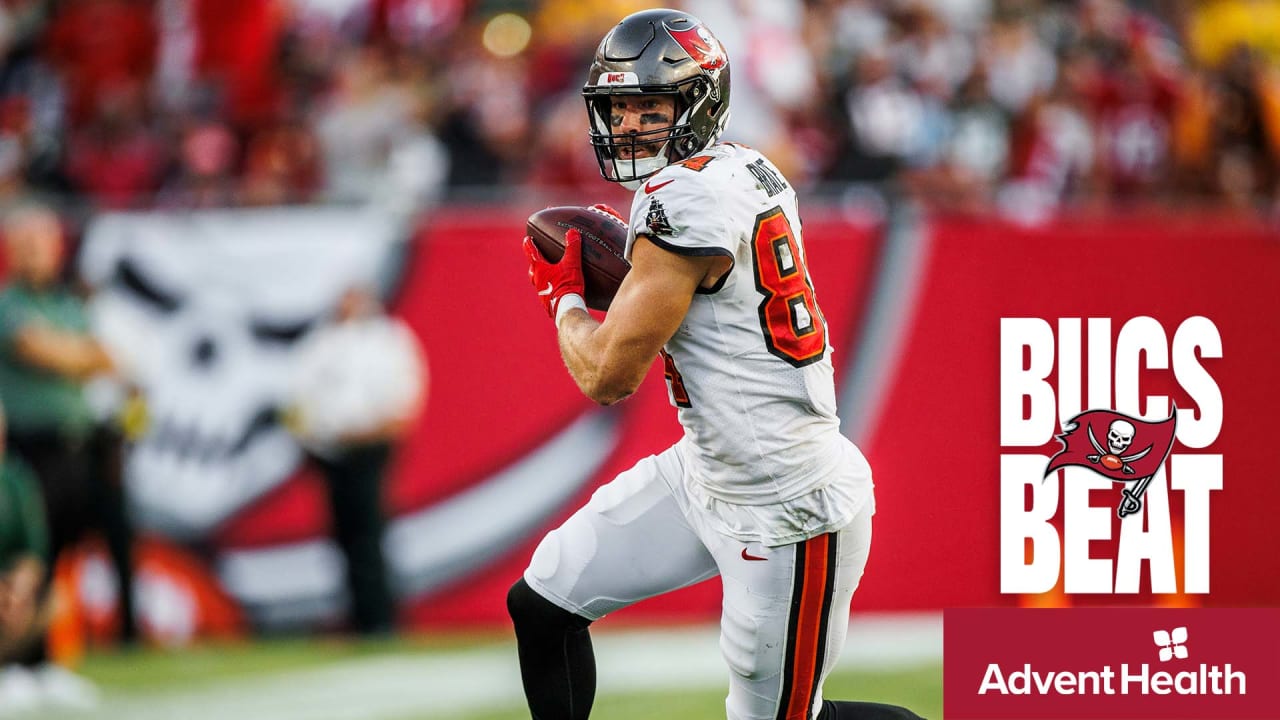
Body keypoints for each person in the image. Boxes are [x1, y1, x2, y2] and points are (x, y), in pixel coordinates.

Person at [511, 9, 924, 720]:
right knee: (544, 601)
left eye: (649, 106)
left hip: (785, 503)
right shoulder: (743, 165)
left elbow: (607, 375)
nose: (629, 126)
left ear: (697, 103)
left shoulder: (687, 200)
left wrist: (565, 300)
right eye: (618, 108)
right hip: (709, 468)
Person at [287, 285, 426, 635]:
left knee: (370, 535)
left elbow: (404, 399)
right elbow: (299, 399)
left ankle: (380, 617)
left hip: (370, 449)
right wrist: (312, 435)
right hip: (329, 453)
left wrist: (374, 430)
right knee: (343, 536)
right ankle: (357, 615)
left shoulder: (388, 338)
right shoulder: (323, 343)